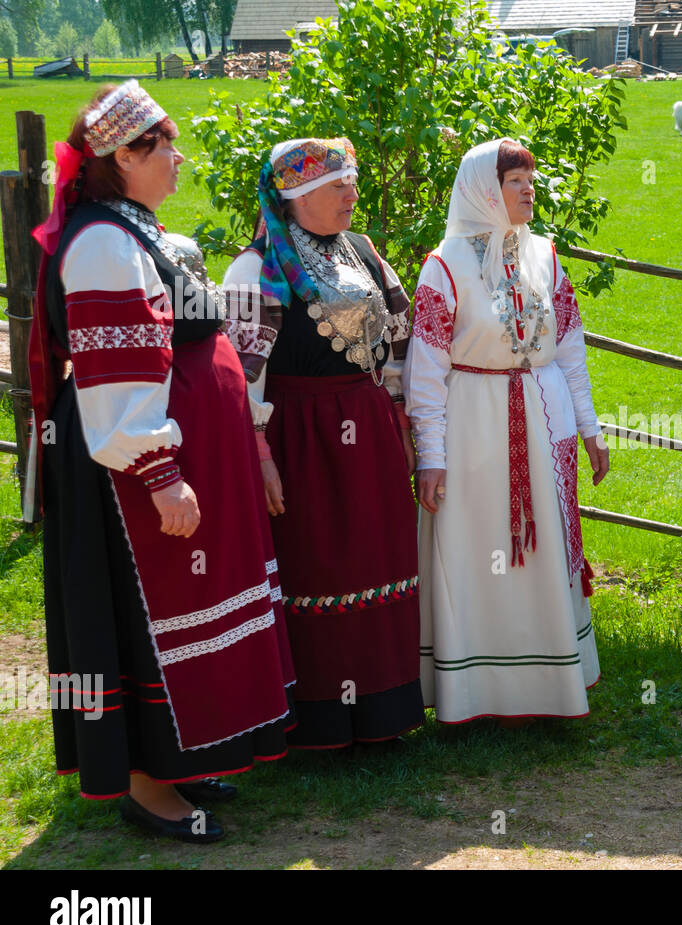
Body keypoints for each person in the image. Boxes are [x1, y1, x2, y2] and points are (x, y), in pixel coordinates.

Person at [27, 81, 295, 842]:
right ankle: (146, 785)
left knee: (173, 612)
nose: (179, 159)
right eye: (165, 147)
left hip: (161, 457)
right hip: (127, 475)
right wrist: (160, 474)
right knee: (138, 615)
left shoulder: (129, 228)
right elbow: (116, 378)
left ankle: (179, 757)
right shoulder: (106, 245)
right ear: (126, 156)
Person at [222, 138, 424, 747]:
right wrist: (258, 453)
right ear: (296, 196)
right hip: (301, 436)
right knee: (318, 563)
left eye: (352, 183)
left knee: (380, 556)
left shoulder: (363, 254)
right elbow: (241, 373)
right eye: (338, 186)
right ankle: (321, 720)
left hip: (370, 428)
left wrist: (401, 418)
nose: (351, 195)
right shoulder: (255, 268)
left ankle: (384, 714)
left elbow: (398, 336)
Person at [403, 138, 606, 725]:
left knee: (541, 547)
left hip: (543, 418)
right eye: (514, 180)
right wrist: (432, 457)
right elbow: (427, 373)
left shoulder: (544, 255)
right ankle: (478, 692)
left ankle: (548, 685)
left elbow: (570, 349)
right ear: (483, 190)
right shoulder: (444, 268)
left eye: (530, 179)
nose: (528, 189)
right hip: (473, 428)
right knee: (478, 547)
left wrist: (589, 428)